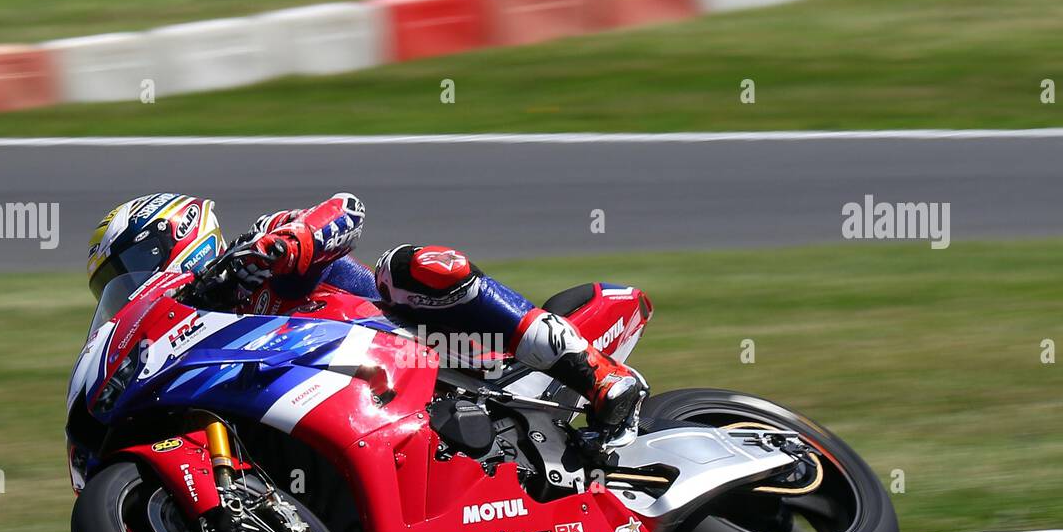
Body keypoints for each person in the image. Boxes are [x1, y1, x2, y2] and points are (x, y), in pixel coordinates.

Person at [86, 192, 647, 434]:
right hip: (354, 403)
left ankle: (594, 373)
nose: (128, 290)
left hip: (431, 350)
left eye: (129, 271)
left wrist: (293, 241)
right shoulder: (195, 340)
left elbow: (346, 211)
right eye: (114, 287)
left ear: (172, 238)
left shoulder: (256, 249)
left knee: (408, 266)